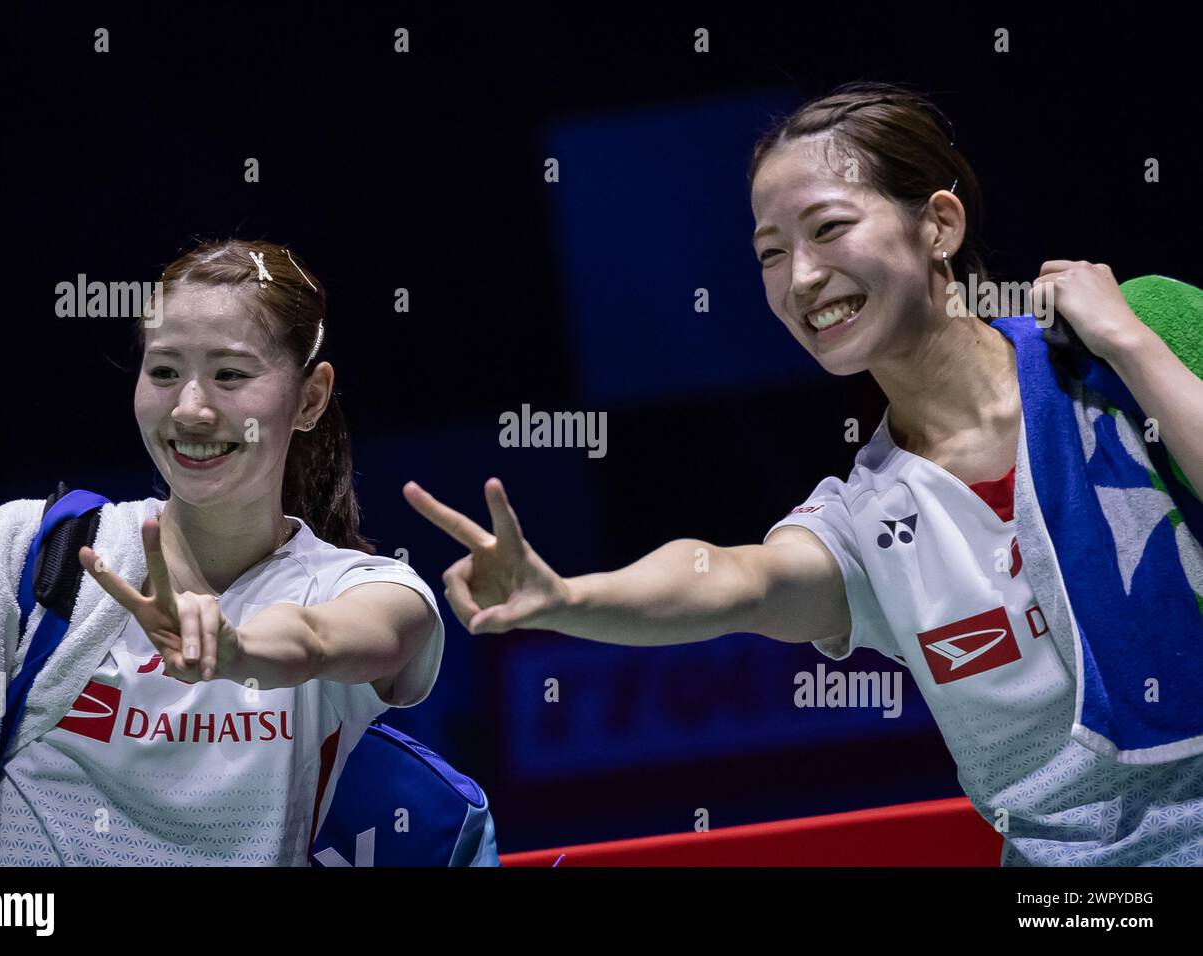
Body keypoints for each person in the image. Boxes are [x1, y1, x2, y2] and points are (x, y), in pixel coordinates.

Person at [402, 82, 1203, 866]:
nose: (802, 279)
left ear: (940, 225)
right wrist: (573, 598)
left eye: (828, 228)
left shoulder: (1136, 329)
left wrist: (1132, 345)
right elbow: (734, 580)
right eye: (771, 254)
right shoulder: (864, 521)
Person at [0, 238, 446, 866]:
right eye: (164, 371)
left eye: (230, 375)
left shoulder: (368, 590)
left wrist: (238, 650)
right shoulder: (28, 551)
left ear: (310, 399)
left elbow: (322, 639)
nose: (190, 410)